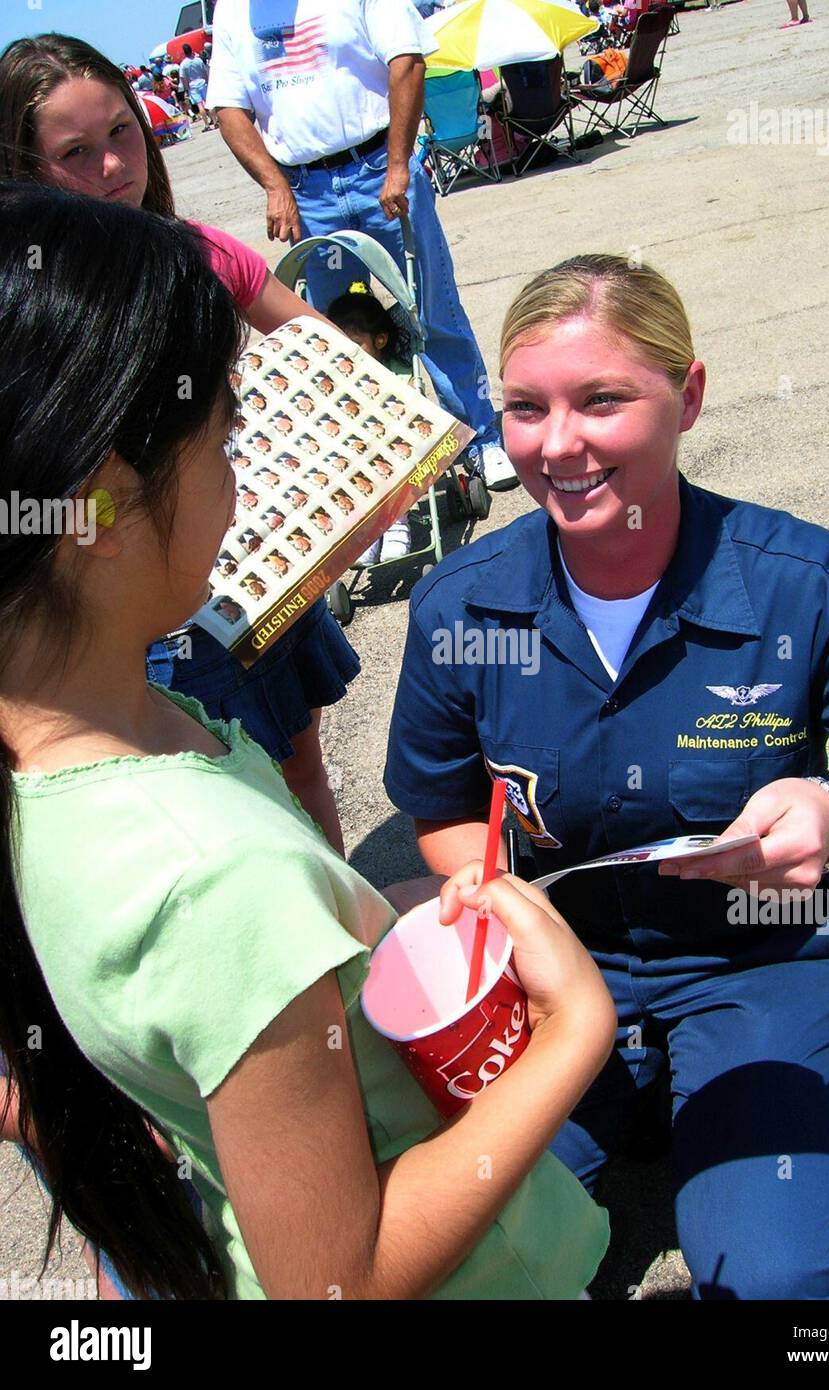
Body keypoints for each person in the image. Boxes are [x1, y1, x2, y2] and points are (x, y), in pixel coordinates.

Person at [0, 185, 615, 1301]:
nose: (252, 476)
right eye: (228, 437)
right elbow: (343, 1280)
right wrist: (575, 1029)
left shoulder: (89, 743)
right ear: (95, 508)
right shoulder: (209, 881)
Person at [383, 253, 829, 1300]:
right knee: (456, 1252)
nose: (557, 443)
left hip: (761, 958)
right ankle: (638, 1106)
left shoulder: (809, 586)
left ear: (687, 396)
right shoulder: (461, 610)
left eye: (601, 399)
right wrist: (483, 896)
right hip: (560, 973)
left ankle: (788, 1161)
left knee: (780, 1282)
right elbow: (438, 812)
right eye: (525, 407)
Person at [0, 33, 356, 855]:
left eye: (123, 132)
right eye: (75, 151)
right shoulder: (33, 302)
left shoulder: (199, 252)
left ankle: (343, 922)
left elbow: (325, 352)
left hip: (246, 565)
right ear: (25, 163)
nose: (113, 166)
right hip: (138, 603)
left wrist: (320, 476)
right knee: (201, 791)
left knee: (297, 763)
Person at [206, 0, 519, 493]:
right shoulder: (233, 11)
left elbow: (407, 62)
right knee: (336, 340)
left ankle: (479, 439)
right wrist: (274, 186)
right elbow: (228, 108)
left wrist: (398, 164)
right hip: (306, 191)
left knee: (432, 312)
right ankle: (377, 471)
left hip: (379, 168)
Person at [328, 284, 413, 564]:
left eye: (354, 344)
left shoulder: (396, 373)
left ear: (379, 341)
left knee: (390, 461)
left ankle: (398, 521)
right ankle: (367, 529)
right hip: (354, 455)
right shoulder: (336, 379)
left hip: (394, 450)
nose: (345, 354)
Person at [178, 42, 216, 130]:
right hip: (203, 82)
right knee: (208, 103)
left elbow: (184, 78)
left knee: (200, 105)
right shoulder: (198, 60)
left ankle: (207, 125)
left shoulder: (184, 64)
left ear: (184, 52)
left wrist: (186, 89)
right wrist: (207, 80)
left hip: (193, 85)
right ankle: (215, 121)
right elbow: (205, 71)